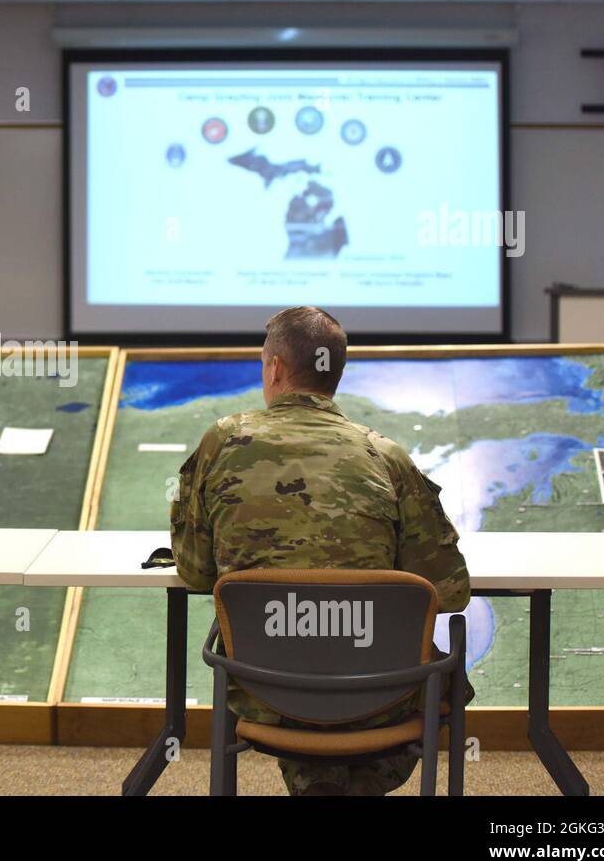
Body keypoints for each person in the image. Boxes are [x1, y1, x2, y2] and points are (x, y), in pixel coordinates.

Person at [171, 305, 470, 795]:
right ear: (336, 374)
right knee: (443, 673)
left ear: (274, 369)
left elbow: (198, 571)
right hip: (380, 695)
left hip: (264, 693)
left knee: (302, 672)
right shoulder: (386, 456)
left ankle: (320, 781)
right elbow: (450, 592)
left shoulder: (222, 443)